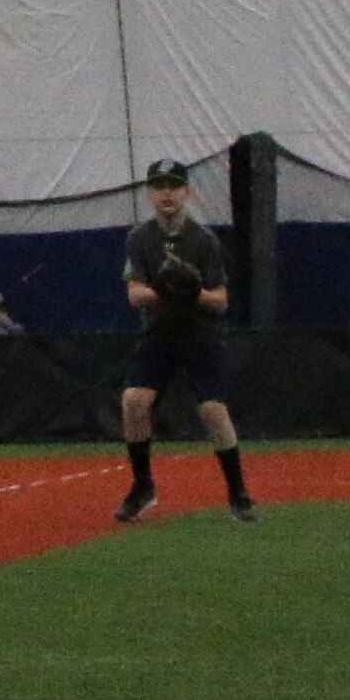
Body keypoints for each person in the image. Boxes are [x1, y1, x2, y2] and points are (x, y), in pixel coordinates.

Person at [112, 161, 251, 523]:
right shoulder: (140, 238)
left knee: (211, 410)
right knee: (133, 401)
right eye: (159, 186)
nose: (167, 193)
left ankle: (238, 493)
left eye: (174, 186)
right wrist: (159, 288)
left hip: (198, 332)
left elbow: (220, 300)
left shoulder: (202, 240)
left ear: (187, 192)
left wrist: (194, 293)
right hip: (160, 331)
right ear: (150, 193)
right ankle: (144, 487)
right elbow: (134, 293)